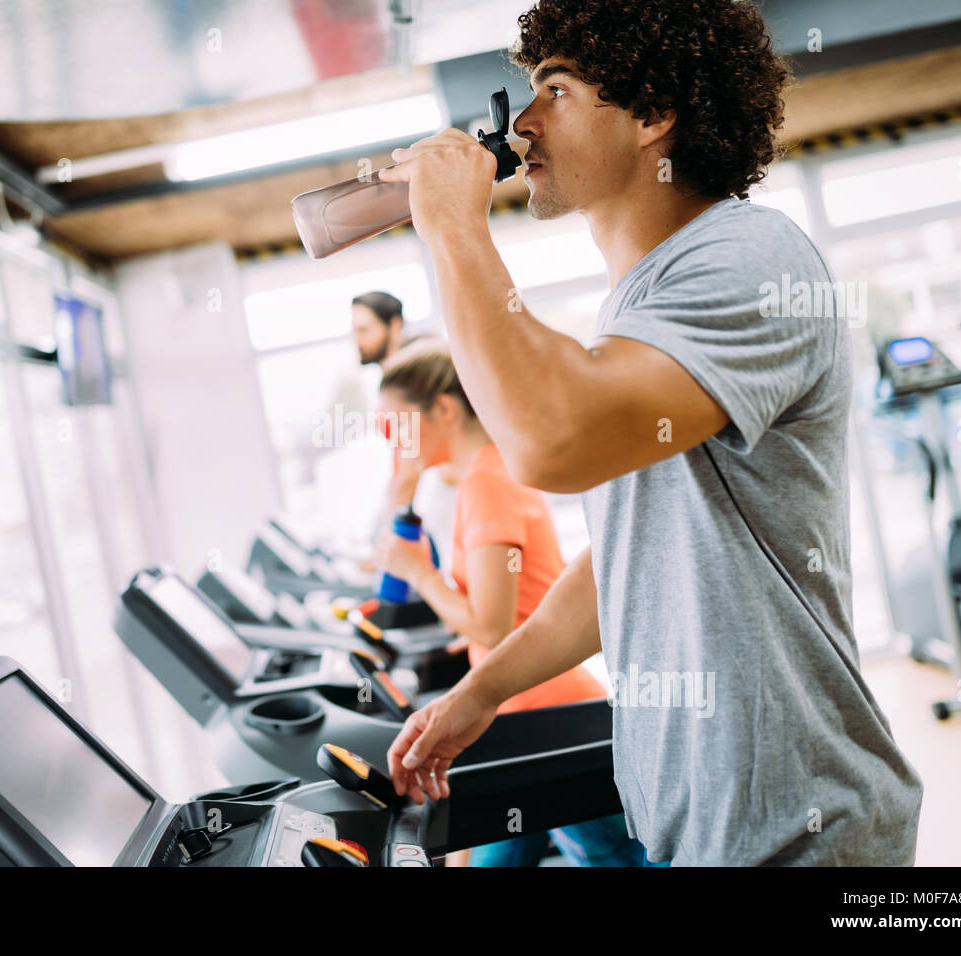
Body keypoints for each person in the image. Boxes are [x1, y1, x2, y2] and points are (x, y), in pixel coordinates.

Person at [377, 0, 924, 865]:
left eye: (554, 89)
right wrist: (482, 690)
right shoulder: (640, 309)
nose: (522, 122)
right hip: (701, 833)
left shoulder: (748, 258)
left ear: (653, 112)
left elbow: (549, 443)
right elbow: (628, 561)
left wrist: (451, 224)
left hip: (797, 833)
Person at [377, 339, 646, 866]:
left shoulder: (486, 483)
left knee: (620, 857)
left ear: (446, 410)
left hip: (543, 711)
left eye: (400, 422)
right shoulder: (487, 472)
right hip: (526, 708)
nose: (394, 438)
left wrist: (421, 575)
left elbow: (493, 627)